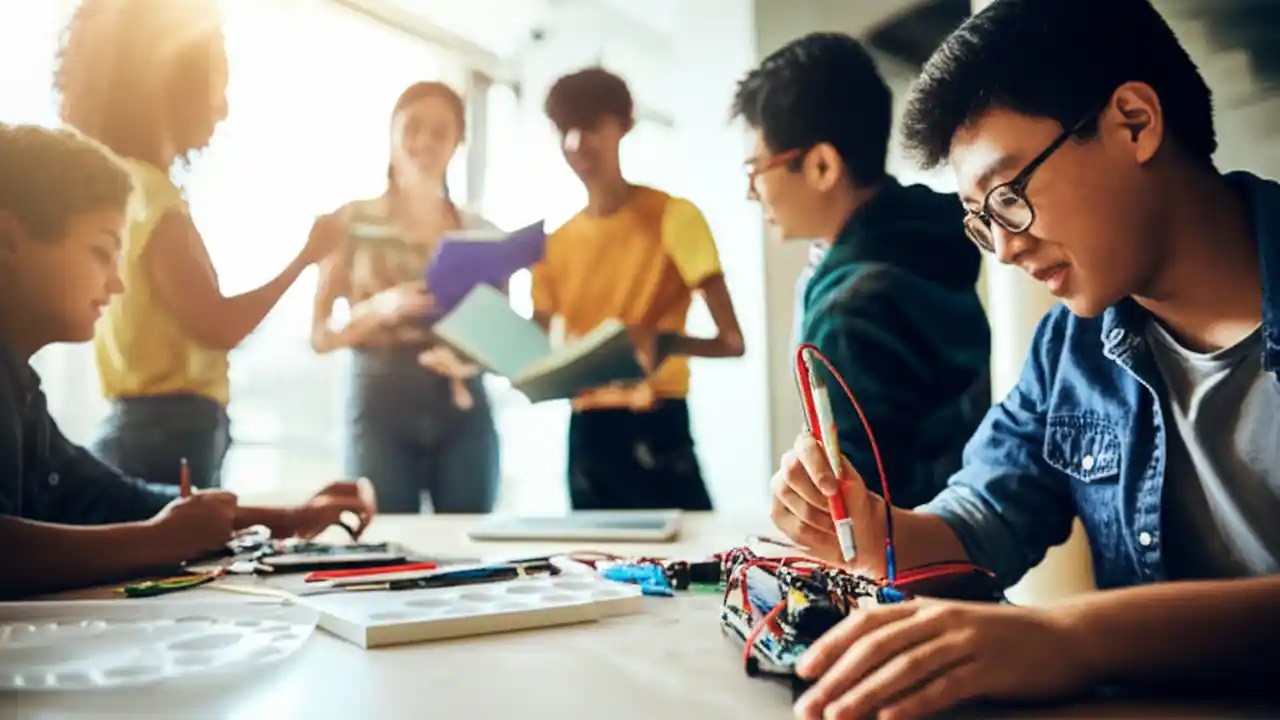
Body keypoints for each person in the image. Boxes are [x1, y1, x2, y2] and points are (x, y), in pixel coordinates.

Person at [770, 1, 1280, 718]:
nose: (1004, 247)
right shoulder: (1070, 348)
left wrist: (1070, 637)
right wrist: (872, 529)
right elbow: (980, 523)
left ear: (1134, 121)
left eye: (1009, 195)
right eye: (981, 221)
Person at [0, 123, 375, 598]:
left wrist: (291, 518)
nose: (116, 285)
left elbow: (116, 500)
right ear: (7, 241)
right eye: (101, 252)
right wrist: (158, 540)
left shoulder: (21, 392)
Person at [55, 0, 336, 489]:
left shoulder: (128, 186)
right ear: (173, 82)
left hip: (149, 423)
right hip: (169, 430)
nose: (223, 108)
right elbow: (218, 325)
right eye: (218, 83)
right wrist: (306, 257)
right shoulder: (152, 197)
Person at [732, 33, 990, 509]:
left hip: (901, 564)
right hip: (958, 533)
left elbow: (860, 495)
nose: (752, 193)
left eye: (755, 170)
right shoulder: (926, 241)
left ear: (822, 166)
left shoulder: (852, 307)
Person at [533, 67, 745, 510]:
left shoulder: (674, 216)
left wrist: (661, 341)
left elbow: (732, 342)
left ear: (623, 125)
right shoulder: (552, 245)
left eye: (589, 127)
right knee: (595, 573)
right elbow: (536, 352)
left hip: (657, 423)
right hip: (587, 434)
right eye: (564, 131)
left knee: (693, 565)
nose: (576, 143)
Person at [310, 82, 500, 514]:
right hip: (381, 400)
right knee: (386, 542)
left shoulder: (482, 234)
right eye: (413, 127)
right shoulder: (351, 222)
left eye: (440, 131)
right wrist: (380, 309)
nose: (425, 142)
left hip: (462, 402)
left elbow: (500, 344)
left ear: (457, 143)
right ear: (391, 132)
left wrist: (469, 361)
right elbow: (321, 337)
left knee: (467, 540)